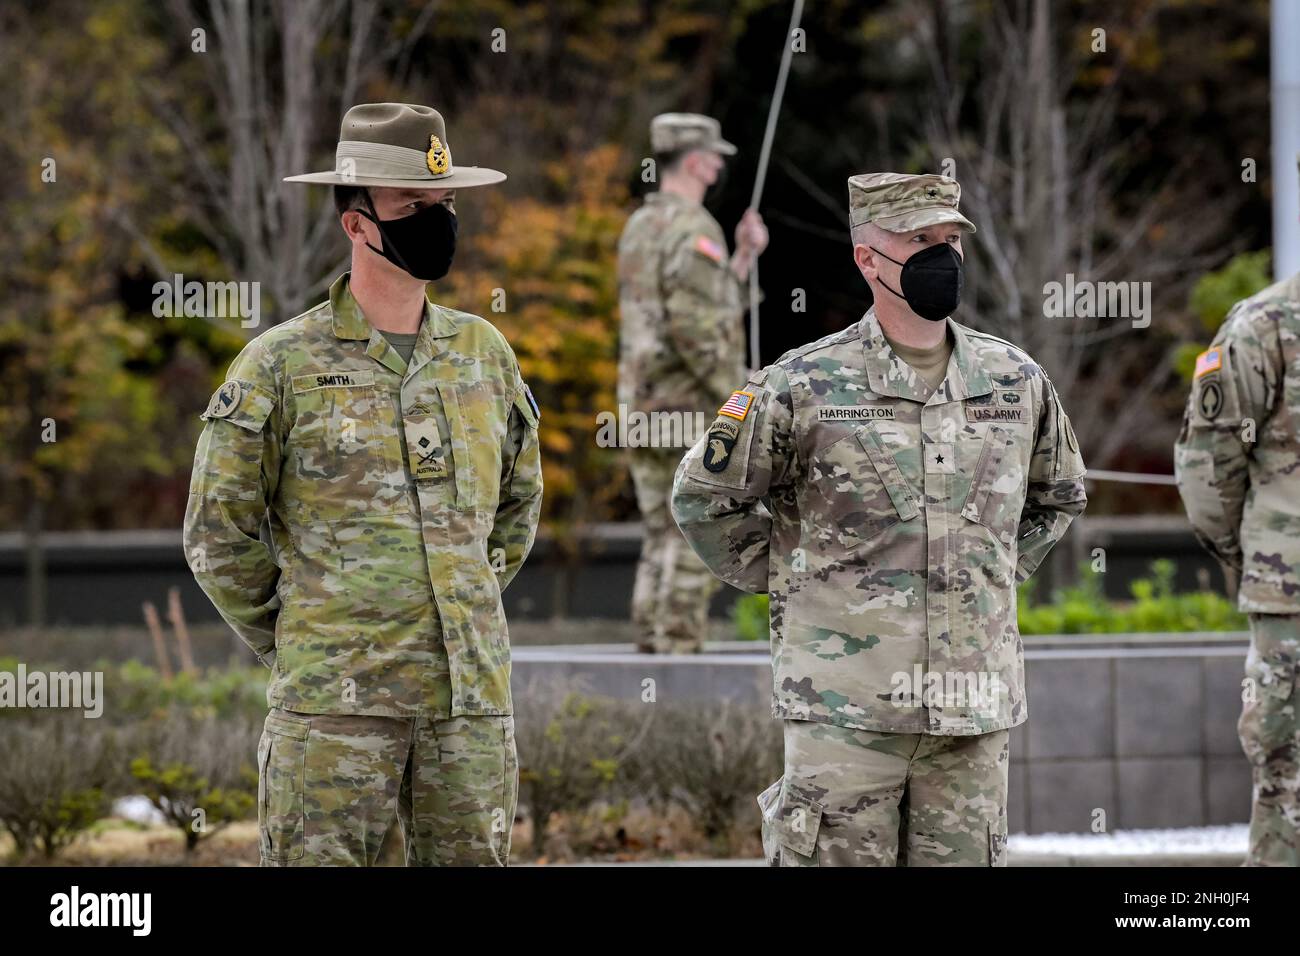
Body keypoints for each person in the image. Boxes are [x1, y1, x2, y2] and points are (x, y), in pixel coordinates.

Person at [671, 172, 1087, 865]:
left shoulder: (1015, 381)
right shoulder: (801, 385)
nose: (942, 256)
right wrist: (797, 582)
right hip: (845, 715)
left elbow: (1059, 493)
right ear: (869, 259)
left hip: (971, 712)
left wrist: (992, 571)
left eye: (951, 239)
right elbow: (705, 500)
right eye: (921, 240)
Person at [183, 102, 542, 866]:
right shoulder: (281, 365)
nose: (438, 221)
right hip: (334, 713)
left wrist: (457, 600)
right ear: (357, 224)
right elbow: (217, 534)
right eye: (413, 207)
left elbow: (516, 507)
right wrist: (306, 636)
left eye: (444, 205)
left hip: (467, 708)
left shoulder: (484, 355)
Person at [616, 112, 768, 653]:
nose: (722, 165)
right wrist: (742, 398)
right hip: (688, 408)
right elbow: (699, 332)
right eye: (717, 156)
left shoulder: (641, 225)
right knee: (699, 526)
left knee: (660, 530)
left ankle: (649, 650)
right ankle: (678, 654)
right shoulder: (695, 228)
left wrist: (743, 258)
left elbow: (688, 312)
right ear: (699, 161)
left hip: (641, 407)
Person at [1174, 269, 1300, 867]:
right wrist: (1259, 561)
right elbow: (1209, 465)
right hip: (1294, 608)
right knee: (1290, 792)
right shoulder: (1265, 326)